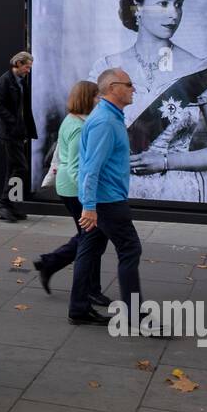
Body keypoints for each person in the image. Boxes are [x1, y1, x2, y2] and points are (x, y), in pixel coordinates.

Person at [89, 0, 207, 203]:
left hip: (183, 189)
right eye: (163, 3)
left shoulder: (199, 69)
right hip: (116, 185)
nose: (174, 14)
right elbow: (88, 134)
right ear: (137, 7)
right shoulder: (105, 67)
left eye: (178, 4)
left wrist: (166, 161)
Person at [70, 68, 144, 327]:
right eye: (129, 84)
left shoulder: (108, 117)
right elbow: (91, 168)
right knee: (131, 249)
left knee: (88, 250)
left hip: (102, 200)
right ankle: (135, 315)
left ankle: (78, 309)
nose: (133, 88)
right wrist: (89, 207)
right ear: (114, 88)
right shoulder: (105, 121)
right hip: (107, 201)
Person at [34, 81, 103, 298]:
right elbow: (74, 166)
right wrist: (87, 197)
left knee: (90, 236)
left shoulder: (73, 120)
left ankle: (51, 264)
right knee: (92, 237)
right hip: (75, 189)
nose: (99, 100)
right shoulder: (78, 127)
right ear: (86, 98)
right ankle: (87, 288)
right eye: (96, 96)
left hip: (70, 187)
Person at [0, 51, 37, 221]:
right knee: (20, 167)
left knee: (14, 168)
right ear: (18, 64)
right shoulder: (6, 80)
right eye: (26, 66)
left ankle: (9, 206)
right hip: (9, 133)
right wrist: (13, 121)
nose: (28, 70)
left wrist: (24, 128)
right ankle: (4, 204)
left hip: (17, 132)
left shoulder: (20, 81)